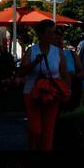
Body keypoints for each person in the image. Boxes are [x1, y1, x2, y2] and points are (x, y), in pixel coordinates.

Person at [17, 20, 69, 150]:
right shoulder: (32, 51)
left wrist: (68, 91)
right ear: (41, 34)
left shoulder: (58, 52)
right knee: (36, 130)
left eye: (53, 32)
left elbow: (64, 74)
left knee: (48, 130)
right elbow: (20, 72)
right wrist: (35, 62)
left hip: (52, 94)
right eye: (49, 32)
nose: (53, 35)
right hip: (32, 93)